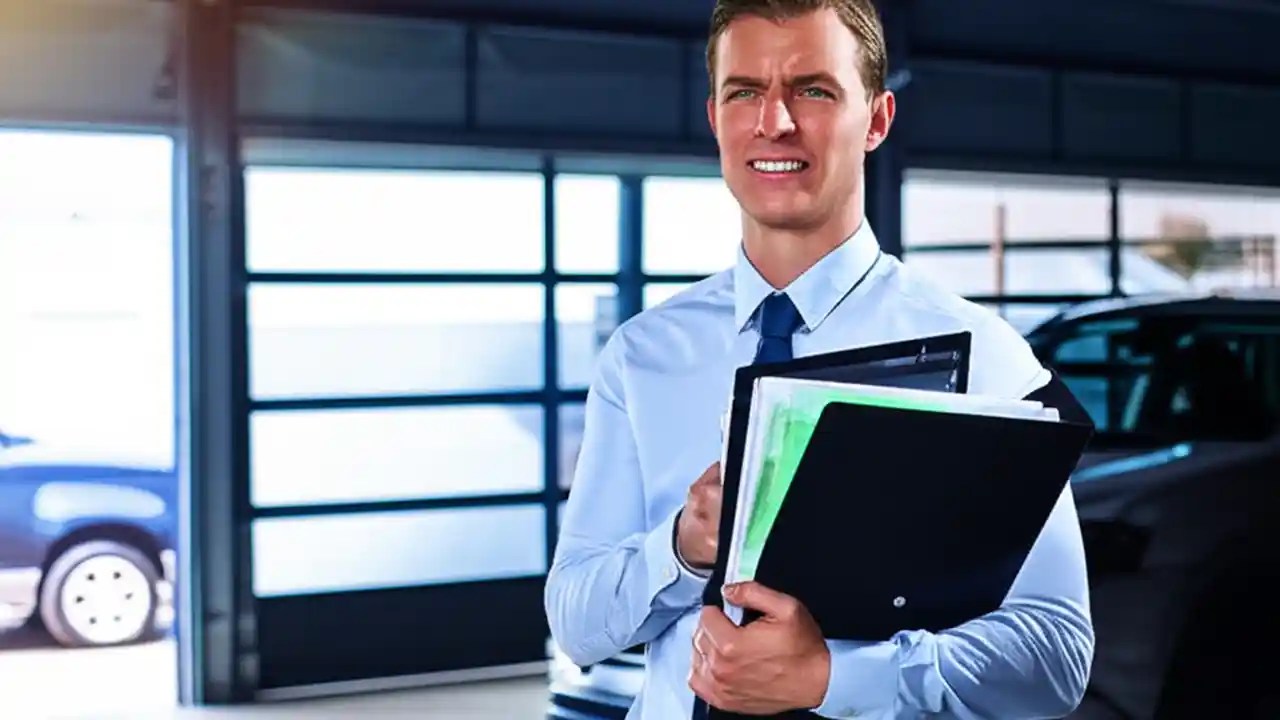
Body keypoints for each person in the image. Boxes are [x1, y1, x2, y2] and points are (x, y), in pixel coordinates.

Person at [544, 1, 1094, 718]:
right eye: (745, 91)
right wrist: (683, 547)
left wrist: (833, 677)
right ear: (716, 118)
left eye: (813, 89)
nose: (774, 121)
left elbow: (1055, 654)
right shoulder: (643, 356)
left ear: (877, 119)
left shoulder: (986, 355)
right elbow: (576, 621)